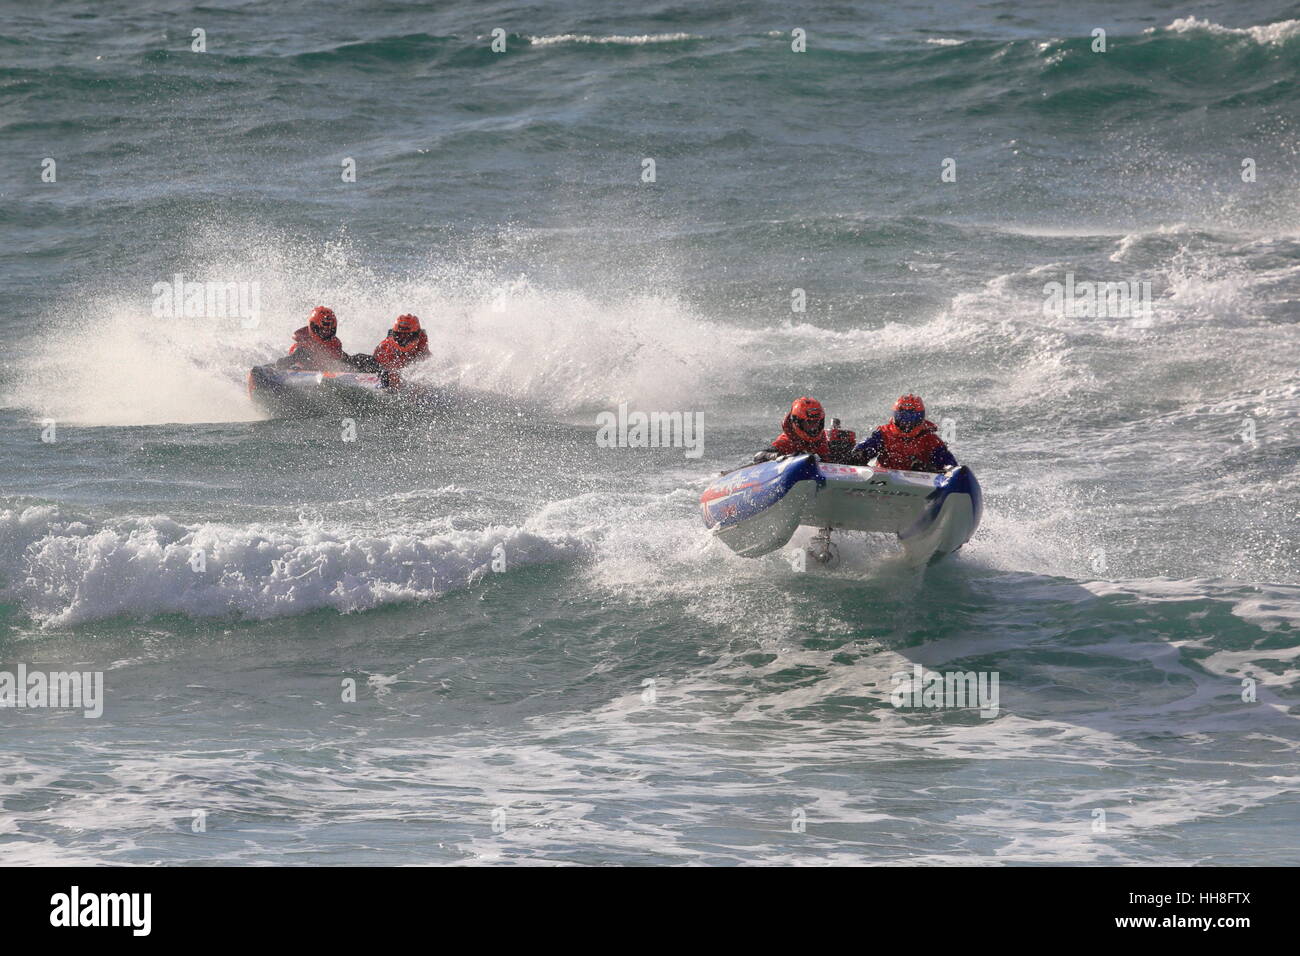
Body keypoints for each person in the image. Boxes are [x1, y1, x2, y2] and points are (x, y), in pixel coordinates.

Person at [849, 394, 958, 473]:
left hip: (920, 486)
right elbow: (865, 448)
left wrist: (928, 469)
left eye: (912, 417)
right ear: (895, 416)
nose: (907, 422)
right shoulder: (884, 434)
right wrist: (859, 454)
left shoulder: (930, 439)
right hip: (883, 482)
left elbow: (951, 468)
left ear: (921, 418)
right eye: (902, 416)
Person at [753, 396, 833, 462]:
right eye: (809, 423)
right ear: (797, 422)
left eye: (817, 422)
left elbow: (827, 459)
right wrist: (777, 456)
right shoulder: (787, 440)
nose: (814, 427)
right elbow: (758, 456)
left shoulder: (821, 438)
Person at [279, 306, 350, 370]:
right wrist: (284, 363)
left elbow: (342, 358)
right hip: (299, 364)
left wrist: (356, 361)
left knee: (355, 360)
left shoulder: (334, 343)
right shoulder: (304, 338)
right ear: (314, 327)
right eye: (323, 330)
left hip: (322, 369)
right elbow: (296, 354)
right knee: (303, 353)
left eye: (330, 330)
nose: (326, 333)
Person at [370, 314, 430, 387]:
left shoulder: (422, 340)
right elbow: (376, 366)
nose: (403, 341)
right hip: (388, 372)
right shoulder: (385, 347)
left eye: (408, 336)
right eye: (399, 335)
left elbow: (426, 362)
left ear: (417, 334)